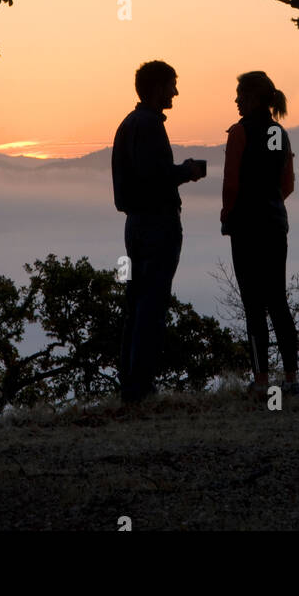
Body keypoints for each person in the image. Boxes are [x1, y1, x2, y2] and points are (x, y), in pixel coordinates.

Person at [112, 60, 205, 403]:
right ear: (156, 88)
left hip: (134, 226)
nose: (176, 92)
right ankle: (141, 387)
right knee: (152, 304)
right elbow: (155, 177)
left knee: (136, 303)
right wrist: (187, 172)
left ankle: (131, 386)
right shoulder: (149, 125)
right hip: (156, 225)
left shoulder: (127, 124)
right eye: (172, 85)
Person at [221, 70, 299, 398]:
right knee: (278, 300)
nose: (236, 100)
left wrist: (229, 216)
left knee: (253, 304)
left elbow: (231, 184)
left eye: (240, 94)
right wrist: (270, 204)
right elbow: (287, 184)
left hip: (246, 229)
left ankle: (262, 379)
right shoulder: (279, 133)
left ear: (252, 98)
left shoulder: (239, 133)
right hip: (274, 226)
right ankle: (292, 379)